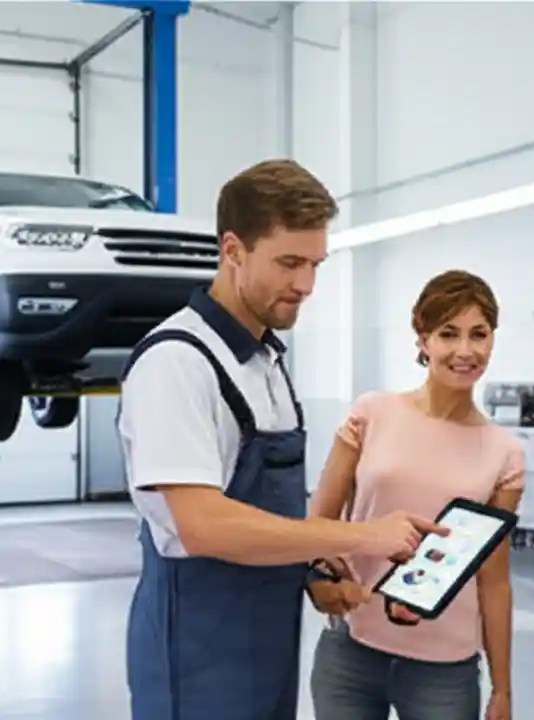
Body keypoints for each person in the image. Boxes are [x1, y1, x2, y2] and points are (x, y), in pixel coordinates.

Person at [116, 158, 444, 720]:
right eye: (289, 262)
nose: (306, 285)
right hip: (195, 655)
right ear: (233, 250)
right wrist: (360, 535)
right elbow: (202, 524)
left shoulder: (266, 361)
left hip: (266, 649)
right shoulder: (178, 363)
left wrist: (312, 568)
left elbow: (265, 509)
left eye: (315, 263)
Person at [305, 269, 525, 720]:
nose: (466, 351)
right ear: (423, 340)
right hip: (352, 650)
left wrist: (502, 689)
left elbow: (495, 579)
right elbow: (320, 525)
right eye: (448, 334)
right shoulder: (373, 413)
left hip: (444, 670)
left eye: (479, 335)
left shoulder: (505, 453)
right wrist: (317, 580)